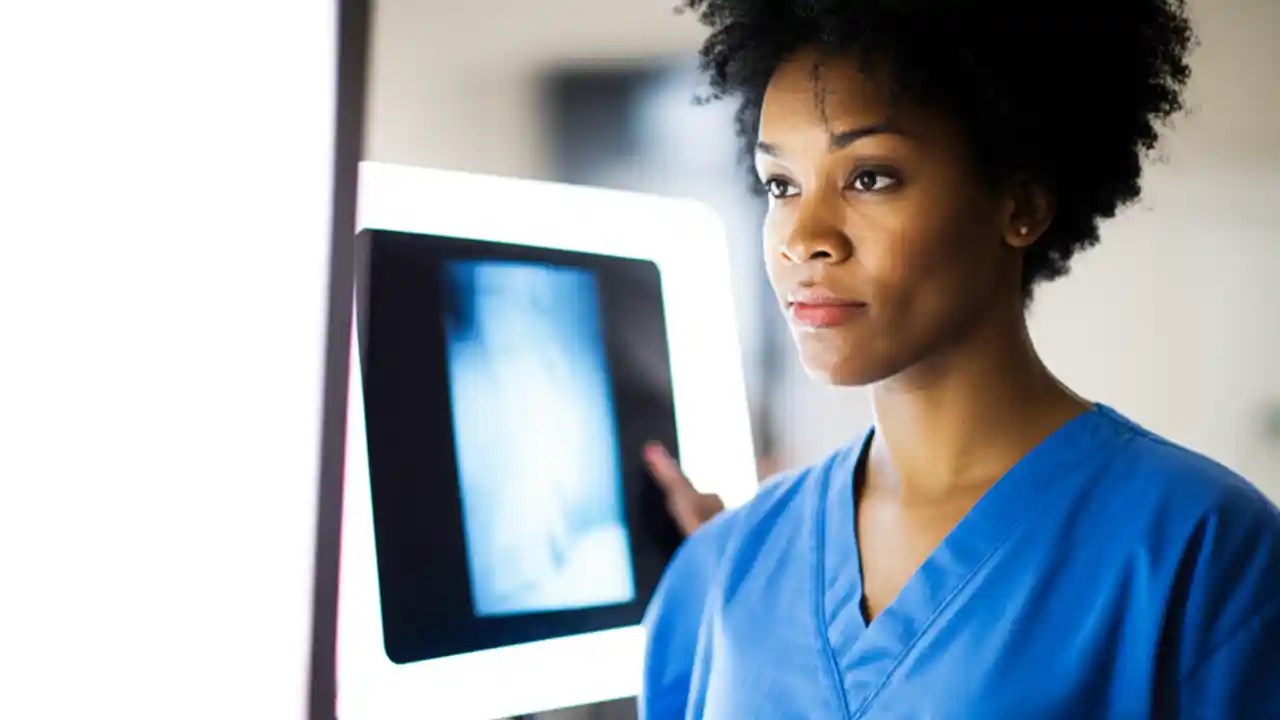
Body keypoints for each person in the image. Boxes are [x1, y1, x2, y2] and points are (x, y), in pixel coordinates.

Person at [639, 1, 1280, 717]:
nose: (803, 237)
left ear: (1021, 204)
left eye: (870, 177)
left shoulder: (1199, 546)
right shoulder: (722, 571)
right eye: (781, 185)